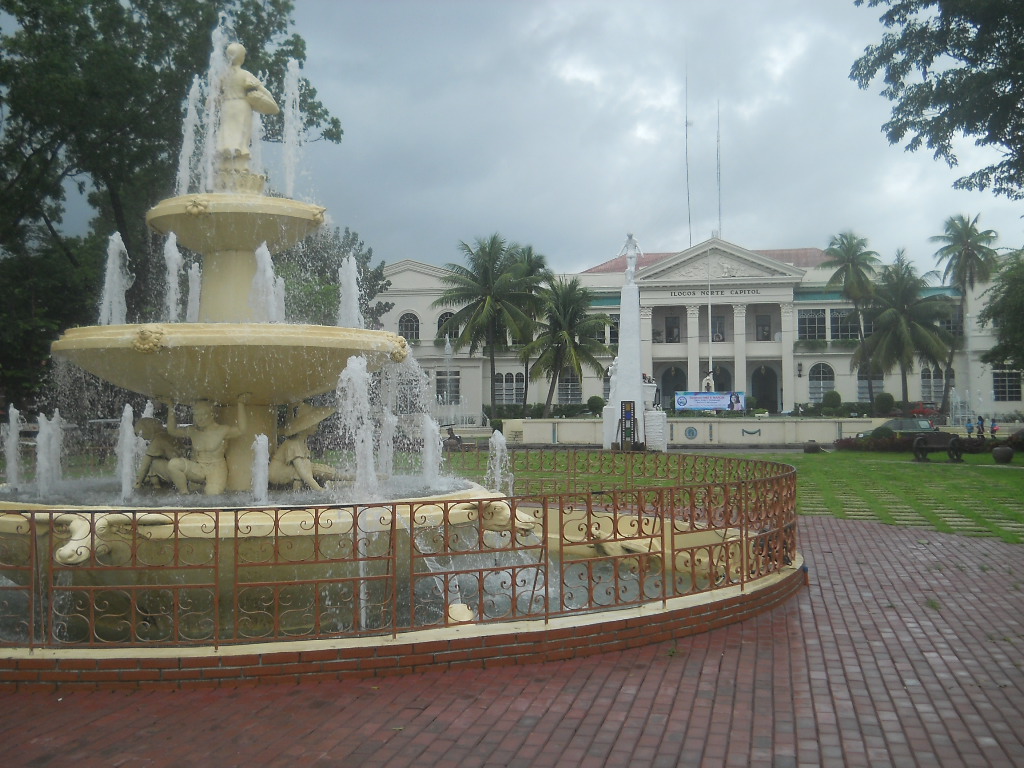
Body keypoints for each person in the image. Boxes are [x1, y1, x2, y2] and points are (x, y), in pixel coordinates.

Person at [166, 396, 249, 495]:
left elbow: (241, 430)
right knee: (173, 464)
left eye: (203, 415)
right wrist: (170, 405)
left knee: (212, 494)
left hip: (216, 468)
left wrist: (240, 404)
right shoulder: (192, 431)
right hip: (199, 467)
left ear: (212, 414)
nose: (199, 419)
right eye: (196, 415)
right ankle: (184, 494)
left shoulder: (221, 430)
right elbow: (172, 430)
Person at [217, 43, 279, 167]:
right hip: (241, 106)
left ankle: (227, 159)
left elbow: (214, 95)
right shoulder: (245, 74)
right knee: (241, 134)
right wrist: (271, 101)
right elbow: (263, 90)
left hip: (227, 107)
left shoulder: (223, 76)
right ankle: (240, 157)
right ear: (241, 57)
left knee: (227, 132)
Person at [268, 404, 340, 491]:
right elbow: (303, 473)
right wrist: (320, 490)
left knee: (308, 469)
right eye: (314, 424)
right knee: (298, 474)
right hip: (275, 473)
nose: (317, 427)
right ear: (306, 427)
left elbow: (306, 465)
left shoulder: (302, 442)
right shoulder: (293, 444)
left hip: (284, 469)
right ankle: (296, 497)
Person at [134, 418, 183, 489]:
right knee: (154, 459)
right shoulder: (167, 432)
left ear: (147, 429)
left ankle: (156, 487)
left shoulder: (158, 439)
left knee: (153, 463)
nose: (142, 438)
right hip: (182, 466)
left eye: (141, 434)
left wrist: (138, 482)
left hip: (177, 472)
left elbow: (145, 464)